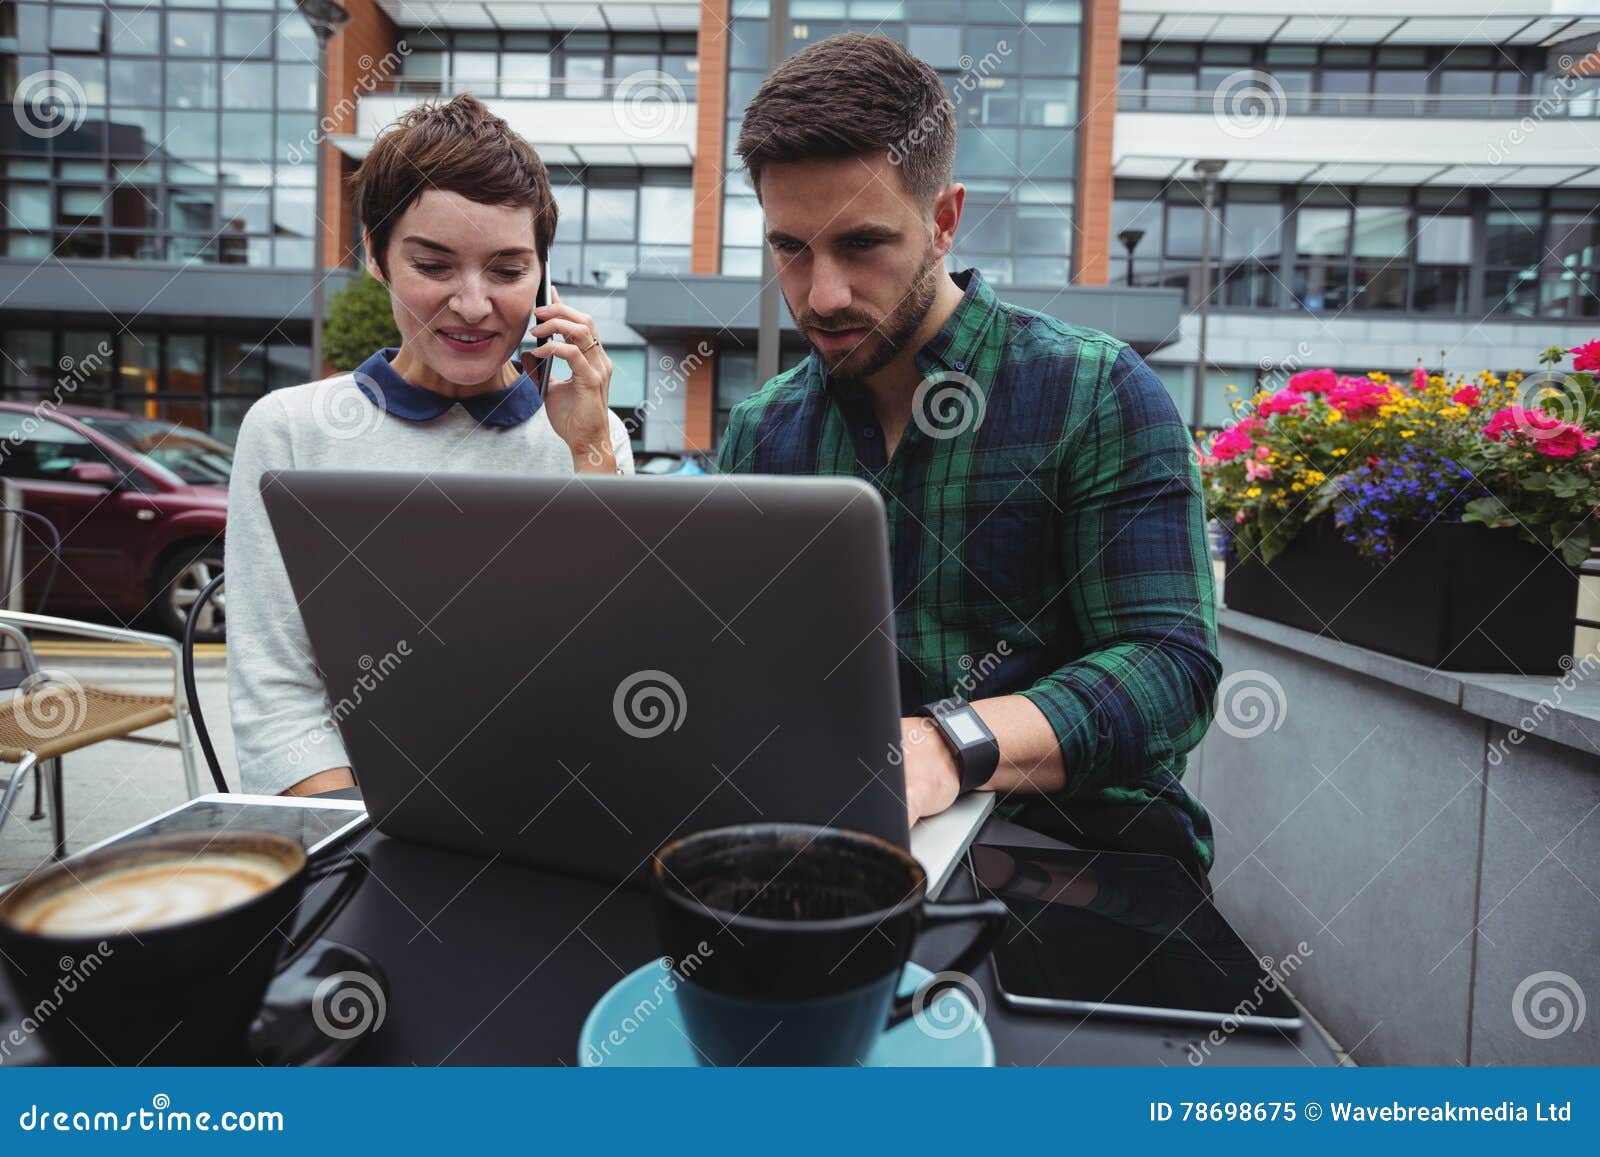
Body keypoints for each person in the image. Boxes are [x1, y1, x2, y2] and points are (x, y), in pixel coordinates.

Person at [716, 34, 1222, 882]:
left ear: (944, 219)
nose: (822, 294)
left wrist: (953, 743)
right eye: (790, 249)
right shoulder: (764, 430)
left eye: (862, 245)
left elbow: (1171, 666)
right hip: (828, 847)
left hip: (1072, 856)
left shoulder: (1094, 391)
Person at [227, 94, 634, 799]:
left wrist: (591, 454)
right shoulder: (290, 429)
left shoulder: (590, 434)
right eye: (436, 266)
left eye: (508, 271)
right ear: (378, 257)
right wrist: (362, 839)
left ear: (545, 278)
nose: (474, 305)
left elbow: (623, 660)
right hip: (357, 818)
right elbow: (277, 690)